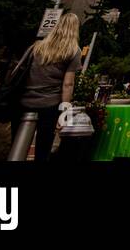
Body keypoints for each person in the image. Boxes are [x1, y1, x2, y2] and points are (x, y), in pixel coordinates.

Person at [15, 11, 82, 162]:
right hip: (49, 104)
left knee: (17, 145)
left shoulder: (37, 47)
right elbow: (68, 83)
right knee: (43, 148)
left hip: (24, 101)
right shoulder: (73, 50)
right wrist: (65, 111)